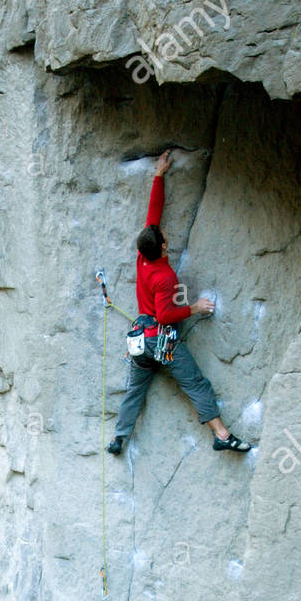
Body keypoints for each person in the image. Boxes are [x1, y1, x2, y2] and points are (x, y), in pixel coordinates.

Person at [107, 149, 252, 456]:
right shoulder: (165, 276)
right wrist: (195, 308)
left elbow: (153, 215)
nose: (163, 234)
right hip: (161, 339)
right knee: (195, 383)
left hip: (140, 340)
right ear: (162, 247)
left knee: (136, 389)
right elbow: (164, 315)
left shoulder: (143, 256)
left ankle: (118, 438)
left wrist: (159, 175)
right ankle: (222, 434)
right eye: (163, 237)